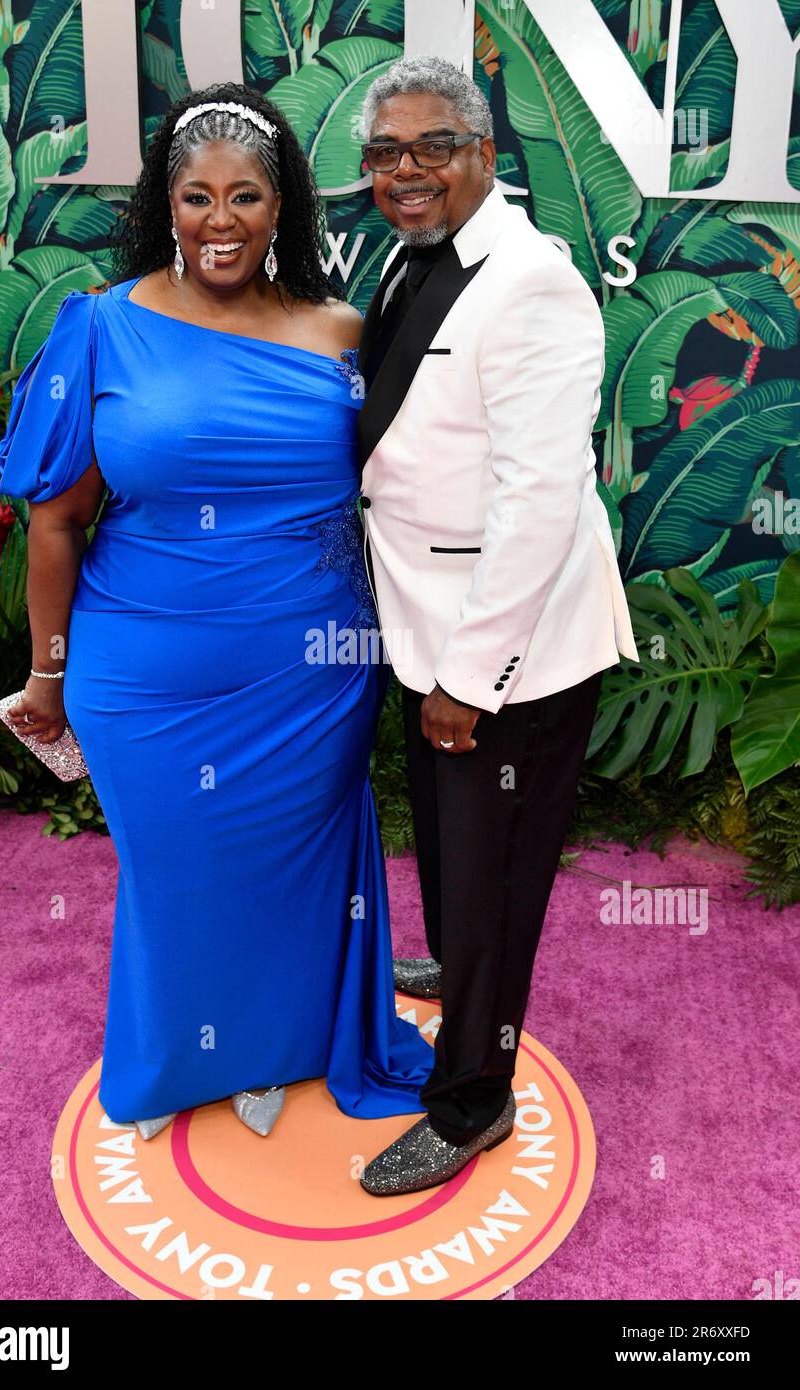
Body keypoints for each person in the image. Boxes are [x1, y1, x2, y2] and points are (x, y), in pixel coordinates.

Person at [0, 83, 434, 1143]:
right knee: (180, 870)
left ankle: (276, 1047)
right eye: (197, 197)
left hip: (310, 672)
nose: (220, 220)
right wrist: (48, 679)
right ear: (167, 203)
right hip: (145, 674)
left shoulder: (344, 332)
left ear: (282, 207)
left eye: (244, 196)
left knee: (284, 866)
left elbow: (409, 491)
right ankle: (186, 1051)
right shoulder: (102, 328)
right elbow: (55, 527)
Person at [353, 57, 639, 1196]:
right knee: (458, 861)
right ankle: (461, 972)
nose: (406, 171)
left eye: (432, 147)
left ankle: (472, 1099)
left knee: (496, 886)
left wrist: (471, 678)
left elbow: (538, 504)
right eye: (385, 154)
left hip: (508, 660)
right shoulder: (413, 253)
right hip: (428, 629)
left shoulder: (533, 283)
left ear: (484, 153)